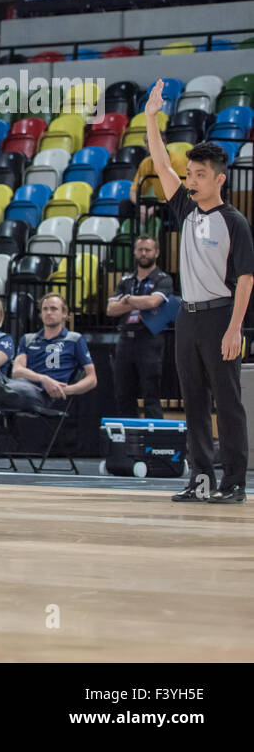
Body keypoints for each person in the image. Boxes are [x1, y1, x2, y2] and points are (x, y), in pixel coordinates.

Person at [142, 79, 253, 503]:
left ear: (220, 179)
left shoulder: (234, 221)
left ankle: (235, 484)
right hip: (187, 316)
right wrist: (152, 117)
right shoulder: (185, 206)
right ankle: (201, 480)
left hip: (222, 315)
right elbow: (159, 162)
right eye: (189, 173)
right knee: (193, 402)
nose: (191, 179)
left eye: (200, 175)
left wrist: (235, 328)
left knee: (228, 403)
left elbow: (246, 278)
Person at [0, 293, 97, 471]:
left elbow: (92, 378)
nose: (48, 312)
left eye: (54, 309)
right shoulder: (28, 339)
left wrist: (67, 391)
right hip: (14, 386)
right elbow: (17, 370)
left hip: (39, 395)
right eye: (45, 309)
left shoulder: (74, 339)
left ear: (65, 314)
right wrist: (42, 378)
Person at [106, 235, 175, 419]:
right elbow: (111, 309)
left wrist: (127, 299)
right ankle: (128, 442)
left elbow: (153, 302)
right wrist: (139, 302)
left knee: (151, 394)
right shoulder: (126, 280)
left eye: (148, 250)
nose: (143, 253)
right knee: (123, 393)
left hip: (149, 340)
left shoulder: (163, 279)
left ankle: (154, 442)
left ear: (157, 253)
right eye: (140, 250)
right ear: (135, 252)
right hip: (125, 340)